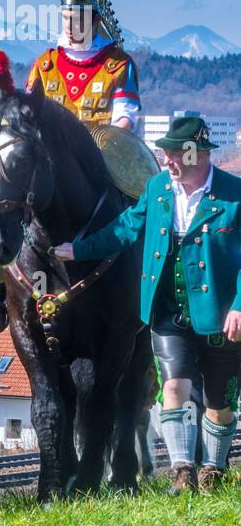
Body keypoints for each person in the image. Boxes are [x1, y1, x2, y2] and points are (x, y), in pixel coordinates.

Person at [54, 116, 241, 493]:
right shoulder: (157, 189)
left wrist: (239, 305)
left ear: (197, 154)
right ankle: (183, 472)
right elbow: (125, 228)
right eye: (166, 152)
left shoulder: (234, 194)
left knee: (219, 401)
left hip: (220, 316)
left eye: (174, 152)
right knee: (173, 388)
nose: (167, 159)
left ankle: (214, 469)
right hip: (167, 312)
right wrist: (79, 250)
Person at [0, 0, 144, 332]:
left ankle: (148, 276)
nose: (72, 27)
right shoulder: (46, 63)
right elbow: (27, 113)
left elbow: (125, 116)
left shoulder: (118, 64)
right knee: (0, 197)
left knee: (142, 205)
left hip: (100, 157)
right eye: (68, 20)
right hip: (47, 160)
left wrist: (97, 145)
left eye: (80, 20)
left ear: (95, 22)